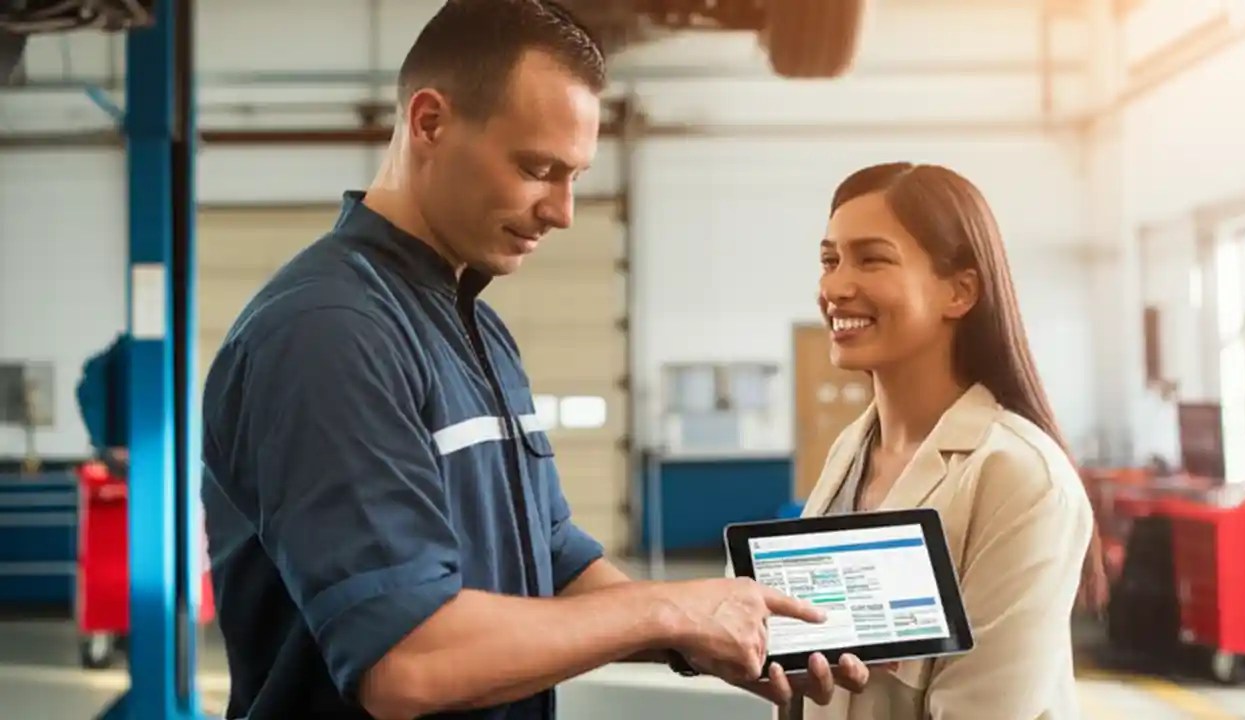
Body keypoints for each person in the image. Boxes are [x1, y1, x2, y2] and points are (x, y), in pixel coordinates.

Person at [199, 2, 868, 719]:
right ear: (429, 122)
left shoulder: (476, 328)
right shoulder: (328, 333)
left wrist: (713, 631)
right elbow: (409, 660)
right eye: (537, 168)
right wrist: (669, 612)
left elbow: (550, 558)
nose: (563, 211)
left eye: (575, 175)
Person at [788, 162, 1103, 719]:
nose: (834, 287)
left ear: (959, 292)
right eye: (829, 260)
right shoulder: (853, 451)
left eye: (872, 259)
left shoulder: (1019, 477)